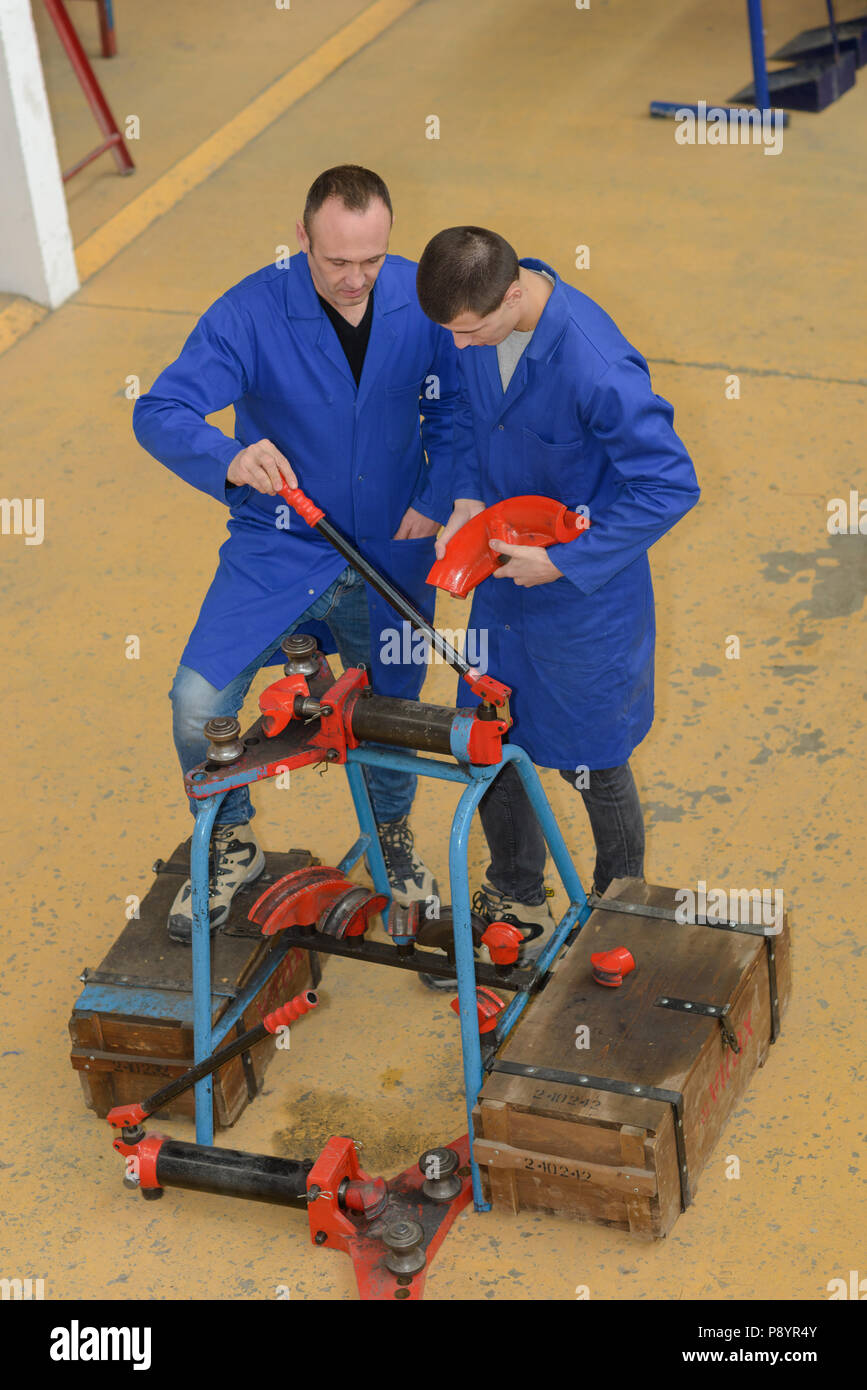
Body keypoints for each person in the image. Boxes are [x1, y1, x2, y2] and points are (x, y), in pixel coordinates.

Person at [133, 166, 459, 943]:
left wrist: (434, 497)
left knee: (386, 719)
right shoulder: (250, 311)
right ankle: (233, 838)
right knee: (196, 703)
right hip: (279, 547)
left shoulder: (422, 299)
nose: (354, 280)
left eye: (370, 260)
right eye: (335, 260)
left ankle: (390, 839)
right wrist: (227, 457)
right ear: (301, 236)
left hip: (392, 548)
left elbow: (459, 414)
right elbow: (161, 407)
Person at [415, 226, 700, 977]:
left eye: (470, 332)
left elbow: (670, 485)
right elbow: (478, 424)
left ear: (513, 296)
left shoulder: (594, 366)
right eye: (451, 334)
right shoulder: (474, 322)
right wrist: (468, 498)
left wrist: (565, 561)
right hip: (503, 585)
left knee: (592, 759)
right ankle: (517, 896)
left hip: (583, 602)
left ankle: (618, 905)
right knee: (490, 734)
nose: (461, 347)